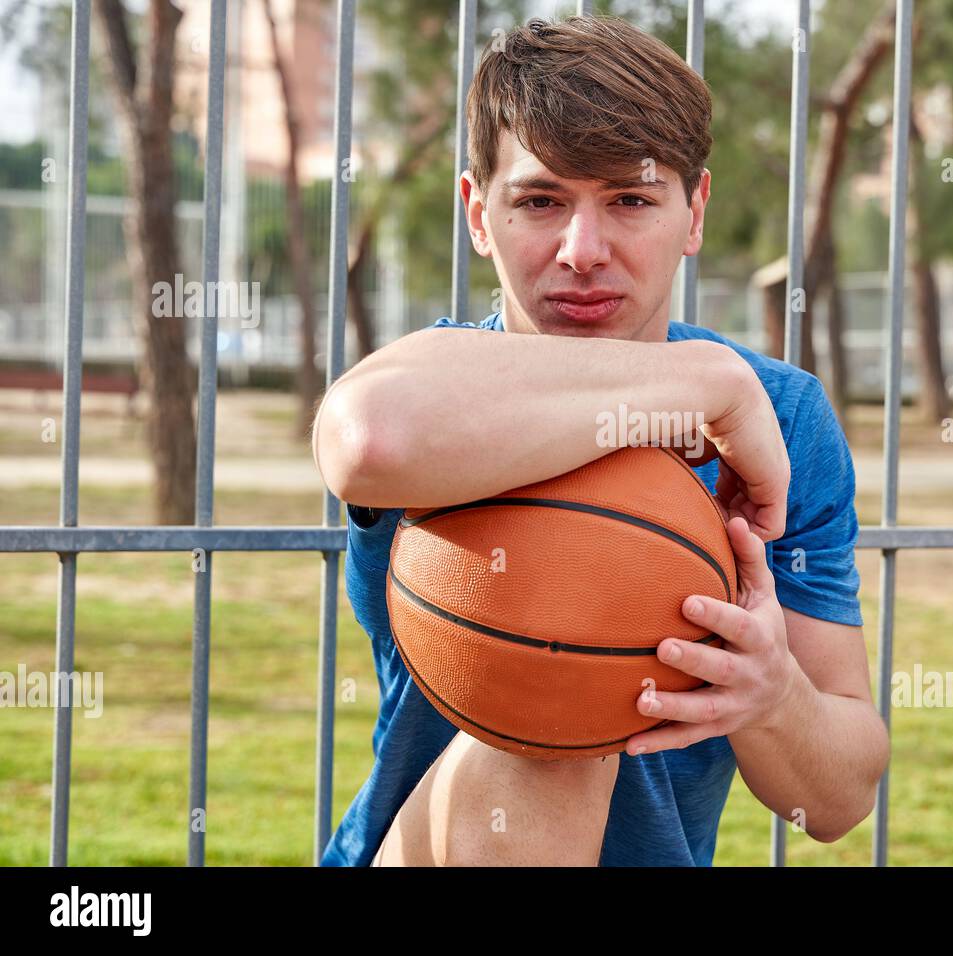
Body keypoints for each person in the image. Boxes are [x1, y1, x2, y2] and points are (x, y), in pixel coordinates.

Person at [312, 14, 889, 867]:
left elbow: (839, 801)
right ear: (477, 213)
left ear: (693, 214)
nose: (583, 251)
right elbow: (368, 441)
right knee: (556, 723)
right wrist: (707, 385)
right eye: (541, 201)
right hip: (434, 846)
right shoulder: (441, 390)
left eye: (630, 199)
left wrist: (774, 698)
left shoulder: (783, 417)